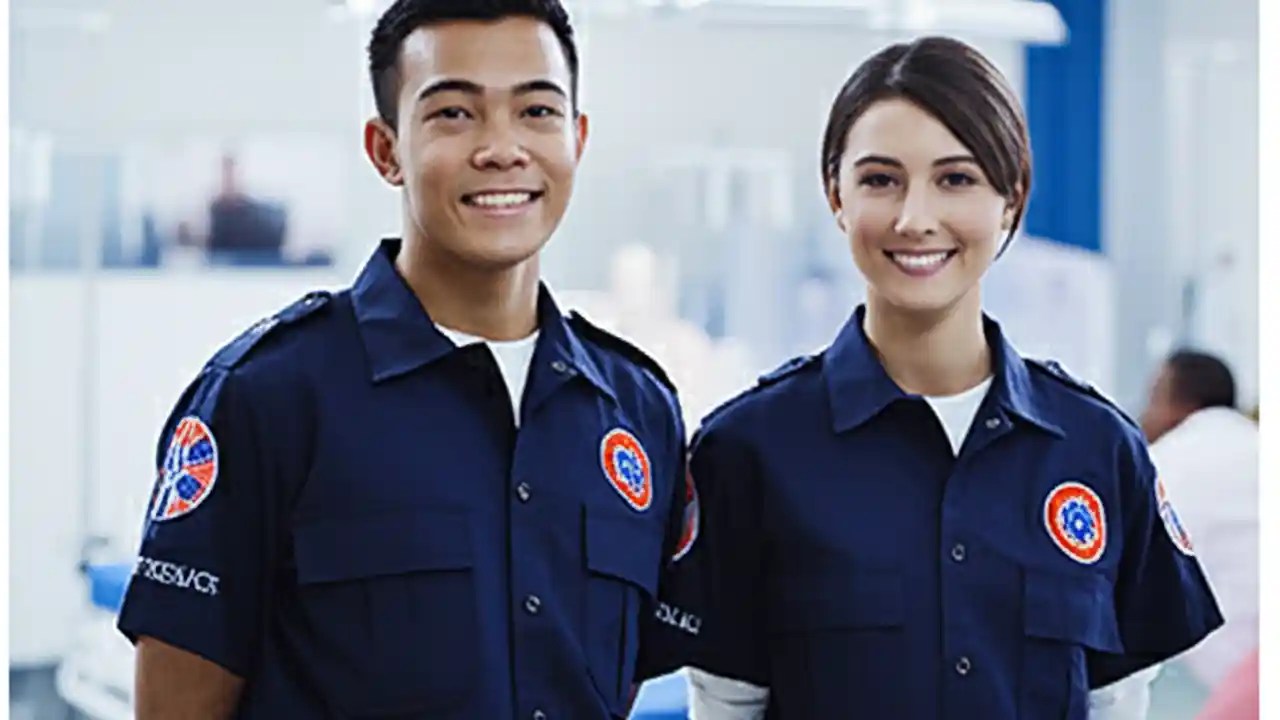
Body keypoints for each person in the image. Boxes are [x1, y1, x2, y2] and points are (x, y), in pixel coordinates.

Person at [116, 1, 688, 717]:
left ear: (576, 138)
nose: (502, 148)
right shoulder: (266, 397)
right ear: (386, 150)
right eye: (453, 113)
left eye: (536, 112)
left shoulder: (638, 413)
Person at [641, 37, 1223, 720]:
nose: (916, 219)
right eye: (881, 180)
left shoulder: (1098, 449)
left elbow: (1117, 707)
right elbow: (726, 707)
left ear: (1011, 201)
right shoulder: (746, 449)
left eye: (957, 179)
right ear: (836, 196)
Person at [1139, 351, 1258, 690]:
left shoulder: (1160, 464)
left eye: (1153, 399)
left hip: (1213, 685)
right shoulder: (1257, 446)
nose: (1143, 416)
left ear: (1179, 406)